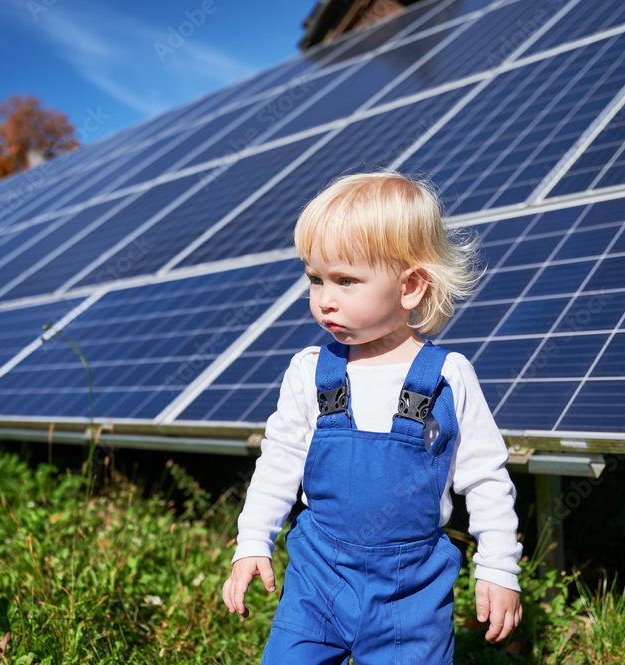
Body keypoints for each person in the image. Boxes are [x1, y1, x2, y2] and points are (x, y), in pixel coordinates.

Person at [221, 170, 522, 664]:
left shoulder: (447, 376)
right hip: (316, 579)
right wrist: (253, 540)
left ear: (410, 286)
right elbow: (279, 461)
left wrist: (498, 568)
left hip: (412, 593)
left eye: (345, 280)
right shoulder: (311, 371)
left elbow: (487, 479)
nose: (325, 299)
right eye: (315, 279)